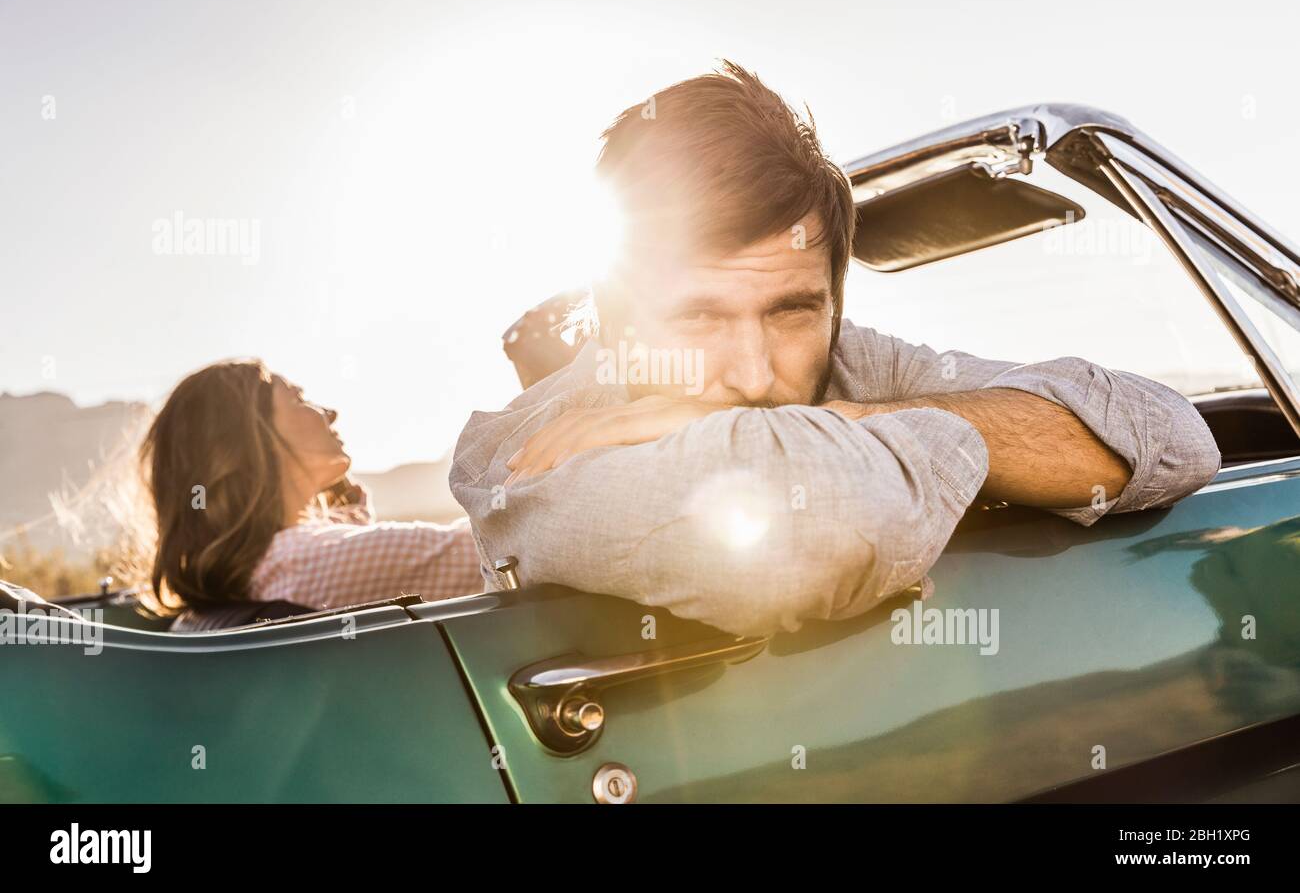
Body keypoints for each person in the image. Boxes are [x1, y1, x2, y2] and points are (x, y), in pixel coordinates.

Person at [450, 61, 1222, 637]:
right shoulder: (520, 451)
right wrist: (981, 441)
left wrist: (857, 416)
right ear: (618, 319)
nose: (754, 373)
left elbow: (1171, 438)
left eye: (790, 311)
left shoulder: (853, 365)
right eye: (698, 320)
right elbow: (820, 532)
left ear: (834, 300)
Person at [139, 359, 481, 614]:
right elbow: (505, 549)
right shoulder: (306, 561)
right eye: (299, 399)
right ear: (253, 443)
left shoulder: (256, 573)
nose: (329, 412)